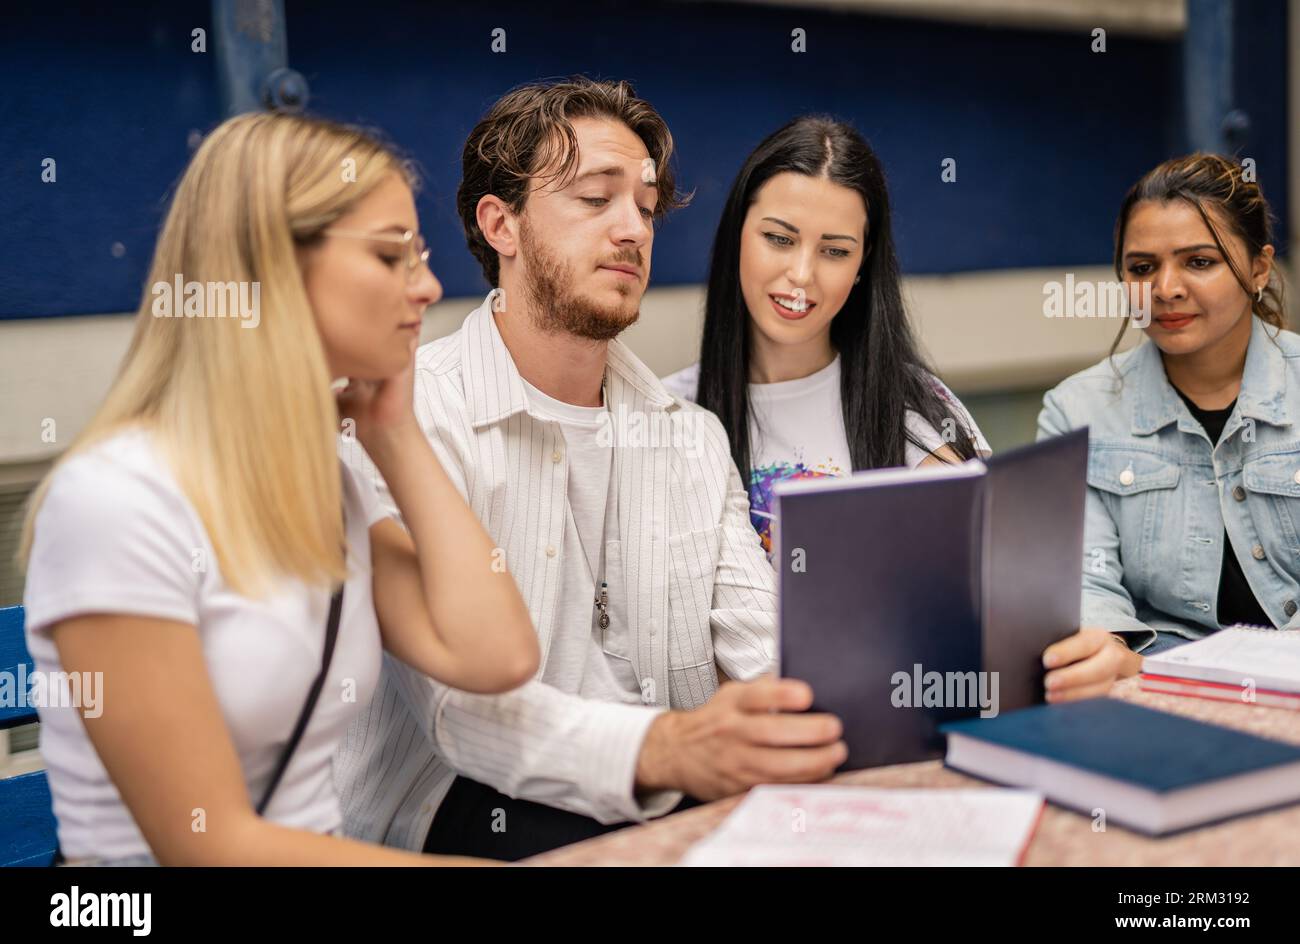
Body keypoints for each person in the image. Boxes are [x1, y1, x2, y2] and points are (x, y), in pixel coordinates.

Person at [336, 78, 846, 861]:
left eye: (644, 208)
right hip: (454, 816)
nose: (632, 230)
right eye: (594, 199)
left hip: (673, 800)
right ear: (500, 224)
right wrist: (669, 748)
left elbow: (767, 651)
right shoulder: (411, 419)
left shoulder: (691, 438)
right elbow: (464, 720)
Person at [18, 111, 539, 865]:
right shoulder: (117, 501)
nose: (428, 286)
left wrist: (394, 436)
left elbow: (495, 656)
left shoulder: (323, 480)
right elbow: (211, 846)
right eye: (392, 255)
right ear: (270, 268)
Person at [662, 116, 990, 556]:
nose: (801, 275)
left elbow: (986, 578)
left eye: (835, 251)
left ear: (862, 264)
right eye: (779, 239)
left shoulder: (916, 410)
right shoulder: (671, 414)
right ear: (737, 233)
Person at [1037, 153, 1293, 702]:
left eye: (1199, 262)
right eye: (1142, 267)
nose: (1165, 288)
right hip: (1155, 684)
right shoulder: (1076, 411)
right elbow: (1082, 580)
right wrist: (1106, 648)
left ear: (1258, 268)